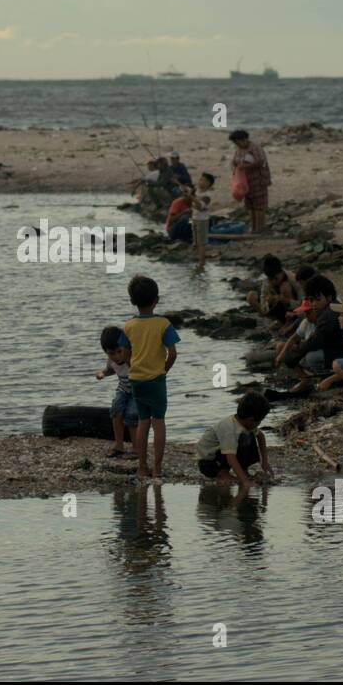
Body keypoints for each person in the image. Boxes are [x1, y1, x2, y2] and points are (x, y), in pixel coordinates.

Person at [119, 275, 179, 479]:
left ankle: (142, 467)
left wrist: (135, 367)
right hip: (157, 379)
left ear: (132, 301)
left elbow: (125, 354)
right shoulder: (163, 324)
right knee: (159, 421)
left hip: (137, 379)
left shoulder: (128, 326)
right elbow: (173, 353)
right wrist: (164, 370)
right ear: (157, 300)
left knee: (143, 421)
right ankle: (157, 468)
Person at [283, 273, 343, 395]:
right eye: (311, 300)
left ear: (329, 298)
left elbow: (316, 340)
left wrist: (293, 356)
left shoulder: (329, 314)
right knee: (309, 353)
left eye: (318, 300)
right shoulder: (332, 307)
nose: (314, 304)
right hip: (342, 351)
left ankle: (329, 382)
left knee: (312, 356)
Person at [195, 392, 272, 488]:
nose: (259, 424)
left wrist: (264, 462)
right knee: (243, 438)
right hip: (208, 462)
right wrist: (245, 482)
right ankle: (223, 474)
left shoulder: (245, 424)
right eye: (260, 421)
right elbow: (230, 457)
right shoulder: (229, 429)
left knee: (249, 435)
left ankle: (244, 471)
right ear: (251, 420)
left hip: (223, 454)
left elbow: (260, 436)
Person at [96, 325, 138, 458]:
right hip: (123, 389)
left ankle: (136, 448)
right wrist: (102, 373)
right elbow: (111, 370)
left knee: (131, 415)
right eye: (112, 353)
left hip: (136, 391)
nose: (117, 356)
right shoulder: (112, 361)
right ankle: (119, 444)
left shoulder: (131, 356)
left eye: (120, 351)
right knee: (116, 410)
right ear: (106, 352)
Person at [229, 129, 271, 234]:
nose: (237, 145)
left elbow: (260, 161)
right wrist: (235, 166)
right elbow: (235, 161)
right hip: (246, 182)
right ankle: (253, 229)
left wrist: (245, 166)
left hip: (258, 181)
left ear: (244, 139)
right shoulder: (239, 150)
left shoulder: (255, 148)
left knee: (259, 207)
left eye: (237, 142)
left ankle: (260, 229)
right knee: (250, 207)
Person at [189, 172, 216, 272]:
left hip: (202, 220)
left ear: (209, 184)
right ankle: (199, 261)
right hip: (195, 218)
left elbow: (200, 206)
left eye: (203, 180)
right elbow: (192, 202)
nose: (201, 182)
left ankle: (202, 263)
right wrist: (190, 193)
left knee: (202, 243)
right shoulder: (197, 191)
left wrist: (191, 197)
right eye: (200, 179)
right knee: (196, 242)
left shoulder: (207, 195)